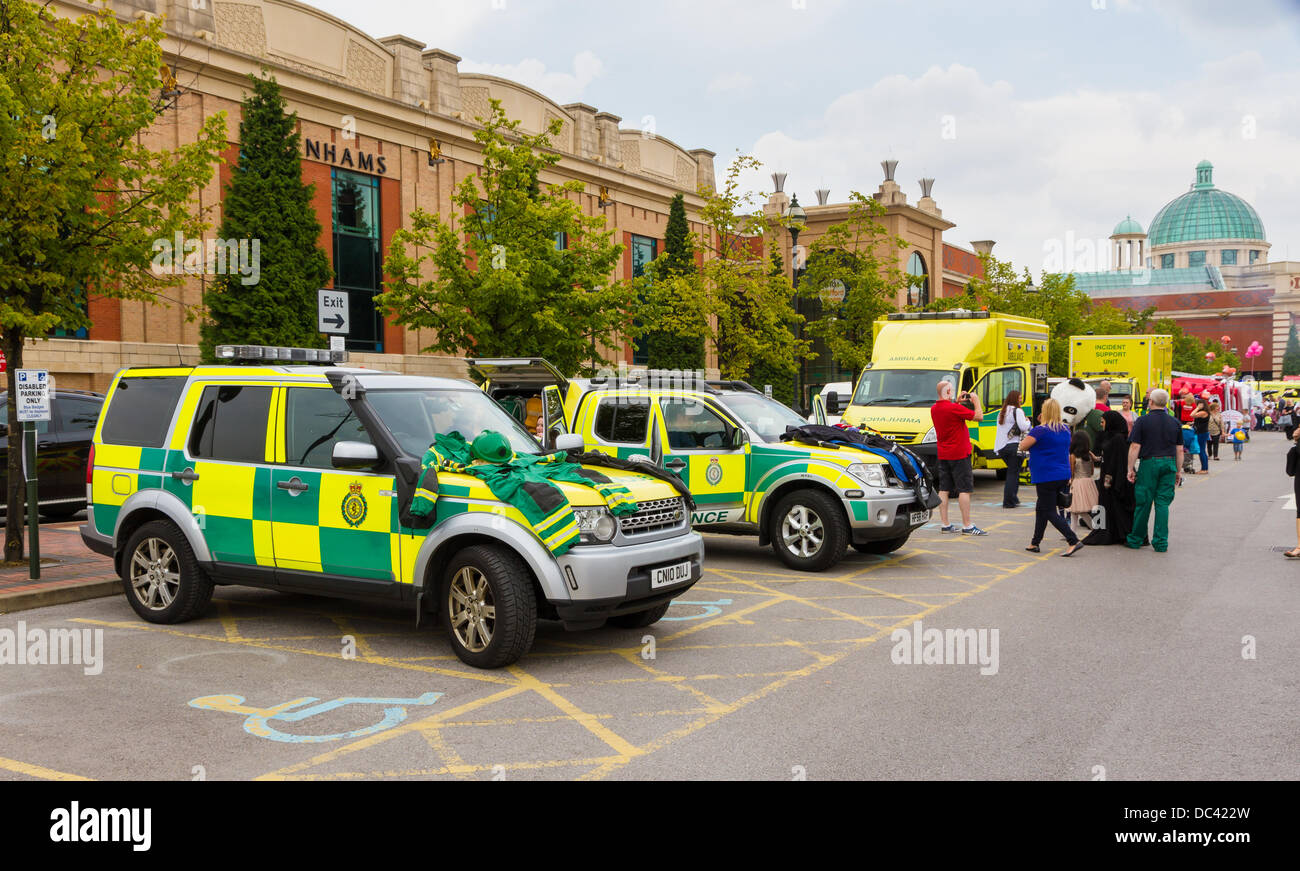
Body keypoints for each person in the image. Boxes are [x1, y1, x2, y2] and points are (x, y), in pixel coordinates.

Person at [1018, 398, 1084, 556]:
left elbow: (1022, 445)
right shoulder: (1065, 430)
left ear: (1044, 412)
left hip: (1045, 475)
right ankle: (1035, 542)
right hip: (1062, 473)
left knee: (1048, 511)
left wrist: (1037, 425)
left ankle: (1072, 540)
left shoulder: (1040, 430)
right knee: (1041, 508)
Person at [1126, 388, 1184, 552]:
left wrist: (1130, 468)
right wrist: (1178, 471)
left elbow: (1135, 446)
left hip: (1149, 463)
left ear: (1150, 402)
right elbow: (1180, 450)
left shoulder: (1143, 421)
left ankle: (1136, 539)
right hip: (1169, 463)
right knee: (1162, 503)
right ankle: (1160, 542)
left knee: (1144, 502)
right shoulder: (1175, 422)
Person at [929, 379, 987, 535]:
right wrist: (976, 401)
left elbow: (949, 411)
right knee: (964, 489)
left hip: (943, 453)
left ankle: (945, 523)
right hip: (960, 453)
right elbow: (979, 417)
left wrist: (956, 402)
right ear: (948, 392)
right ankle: (967, 525)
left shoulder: (934, 409)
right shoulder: (954, 408)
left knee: (944, 488)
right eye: (951, 390)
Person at [1082, 411, 1136, 545]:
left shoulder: (1118, 439)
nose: (1101, 424)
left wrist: (1109, 479)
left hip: (1113, 479)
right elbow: (1109, 456)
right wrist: (1098, 459)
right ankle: (1107, 532)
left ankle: (1115, 534)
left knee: (1114, 505)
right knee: (1105, 505)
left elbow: (1118, 461)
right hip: (1108, 476)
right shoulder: (1111, 436)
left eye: (1103, 422)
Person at [994, 390, 1031, 509]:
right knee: (1013, 474)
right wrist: (1028, 421)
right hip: (1014, 445)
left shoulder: (1001, 412)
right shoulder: (1018, 411)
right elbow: (1023, 426)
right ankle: (1009, 501)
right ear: (1015, 399)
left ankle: (1014, 498)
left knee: (1012, 472)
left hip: (1002, 447)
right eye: (1019, 398)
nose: (1021, 400)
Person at [1067, 430, 1099, 530]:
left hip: (1077, 483)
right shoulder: (1089, 456)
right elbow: (1092, 472)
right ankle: (1072, 533)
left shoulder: (1072, 456)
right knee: (1076, 510)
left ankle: (1094, 528)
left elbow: (1071, 473)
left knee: (1076, 509)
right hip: (1089, 482)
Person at [1191, 398, 1210, 473]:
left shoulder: (1203, 412)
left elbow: (1192, 415)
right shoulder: (1203, 412)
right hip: (1202, 432)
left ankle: (1204, 469)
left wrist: (1198, 408)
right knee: (1202, 450)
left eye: (1197, 404)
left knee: (1201, 451)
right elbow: (1200, 422)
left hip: (1201, 433)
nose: (1196, 405)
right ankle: (1204, 468)